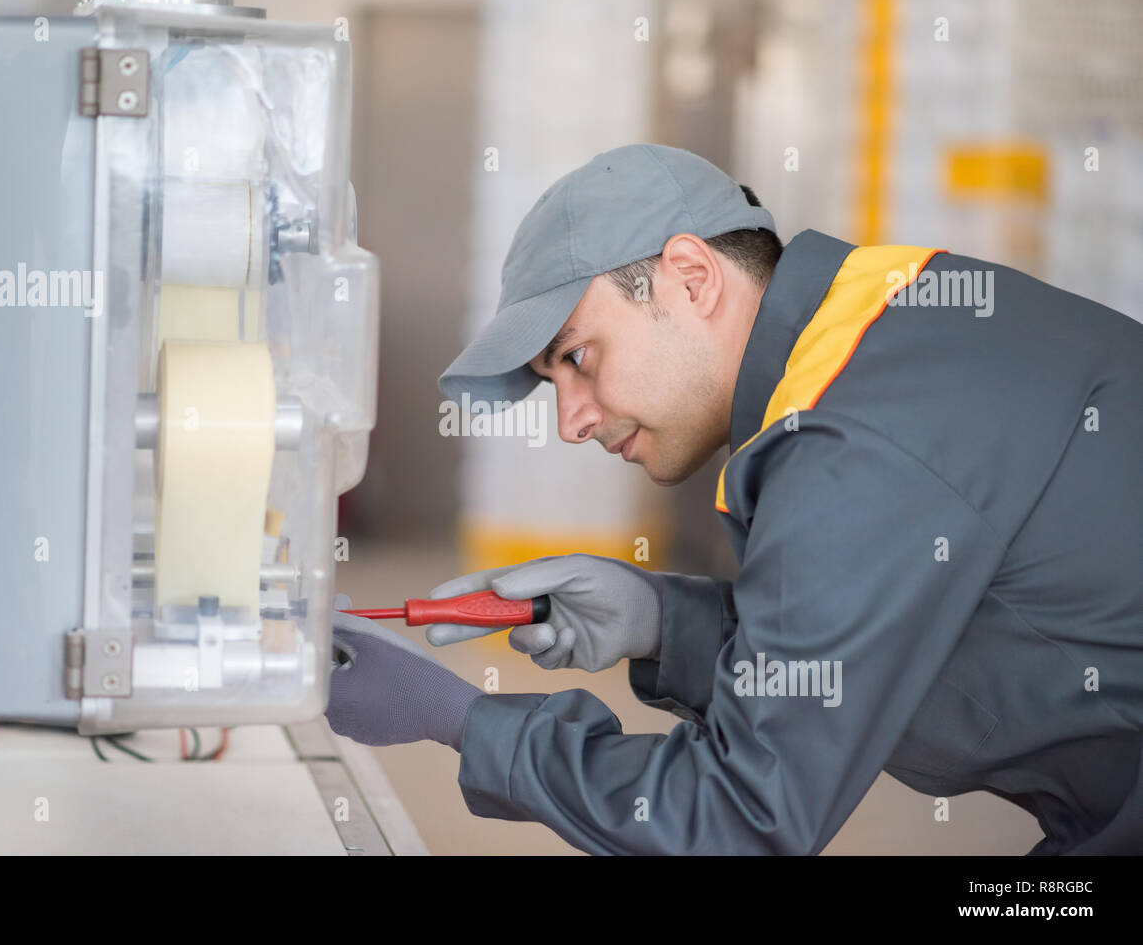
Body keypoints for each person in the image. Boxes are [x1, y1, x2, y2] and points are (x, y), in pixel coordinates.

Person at [324, 143, 1143, 854]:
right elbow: (860, 656)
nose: (571, 421)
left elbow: (739, 819)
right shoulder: (874, 336)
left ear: (690, 277)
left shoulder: (851, 435)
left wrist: (461, 718)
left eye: (577, 357)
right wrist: (661, 619)